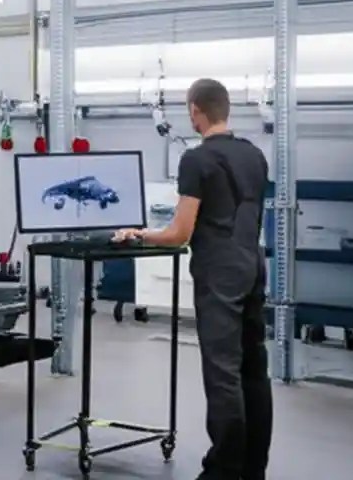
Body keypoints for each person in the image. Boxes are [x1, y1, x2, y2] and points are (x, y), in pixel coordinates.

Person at [112, 78, 272, 480]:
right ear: (226, 109)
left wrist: (139, 233)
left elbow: (179, 232)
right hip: (253, 265)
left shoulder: (196, 160)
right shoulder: (255, 156)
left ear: (195, 110)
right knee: (254, 369)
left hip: (219, 272)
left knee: (222, 372)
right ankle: (253, 468)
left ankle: (223, 470)